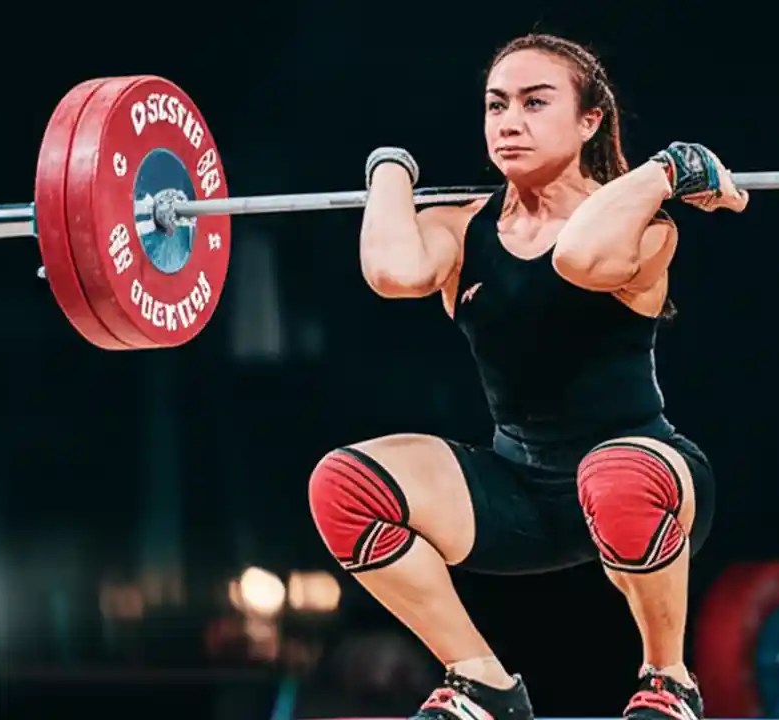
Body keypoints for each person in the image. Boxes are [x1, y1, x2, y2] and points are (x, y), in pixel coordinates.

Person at [307, 32, 748, 720]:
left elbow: (581, 259)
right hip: (520, 496)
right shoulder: (462, 228)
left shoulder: (648, 225)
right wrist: (389, 169)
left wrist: (663, 173)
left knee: (615, 476)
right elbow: (394, 272)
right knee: (344, 487)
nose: (509, 121)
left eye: (535, 103)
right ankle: (481, 681)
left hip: (647, 478)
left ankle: (669, 680)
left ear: (589, 120)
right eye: (496, 105)